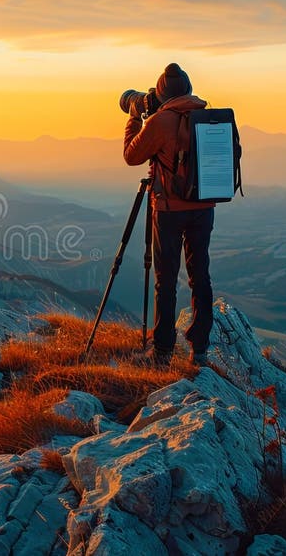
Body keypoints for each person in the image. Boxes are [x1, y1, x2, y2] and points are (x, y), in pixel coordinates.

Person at [123, 63, 213, 366]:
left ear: (161, 94)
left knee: (166, 280)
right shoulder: (206, 116)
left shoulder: (160, 122)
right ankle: (199, 348)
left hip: (169, 209)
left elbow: (132, 156)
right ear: (187, 89)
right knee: (200, 276)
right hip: (203, 207)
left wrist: (134, 119)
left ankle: (162, 350)